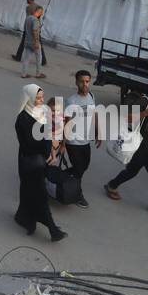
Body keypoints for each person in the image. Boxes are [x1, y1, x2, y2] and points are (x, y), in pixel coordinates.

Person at [105, 75, 148, 218]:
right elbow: (127, 117)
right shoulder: (144, 101)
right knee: (131, 172)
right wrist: (146, 113)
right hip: (139, 146)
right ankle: (111, 185)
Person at [15, 84, 67, 241]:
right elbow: (29, 144)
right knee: (40, 194)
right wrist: (46, 149)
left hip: (39, 160)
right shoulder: (23, 119)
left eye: (42, 97)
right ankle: (52, 229)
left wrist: (51, 149)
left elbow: (48, 134)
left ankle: (22, 217)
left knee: (28, 191)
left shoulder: (41, 112)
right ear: (29, 98)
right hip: (30, 161)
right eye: (38, 98)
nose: (41, 100)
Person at [64, 70, 99, 209]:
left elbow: (94, 114)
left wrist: (98, 131)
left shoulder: (91, 96)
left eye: (87, 81)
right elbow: (66, 122)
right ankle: (78, 195)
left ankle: (62, 175)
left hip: (85, 140)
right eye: (81, 81)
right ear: (76, 82)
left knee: (84, 166)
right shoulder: (71, 100)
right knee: (78, 170)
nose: (84, 84)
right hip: (73, 142)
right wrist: (62, 144)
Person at [13, 0, 48, 67]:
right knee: (39, 43)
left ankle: (18, 57)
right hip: (37, 27)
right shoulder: (38, 7)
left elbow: (29, 19)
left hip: (30, 27)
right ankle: (43, 61)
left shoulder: (28, 7)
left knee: (23, 42)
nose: (26, 0)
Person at [21, 5, 46, 79]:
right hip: (34, 42)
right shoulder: (35, 20)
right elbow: (35, 31)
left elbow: (25, 29)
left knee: (26, 58)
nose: (41, 14)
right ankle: (38, 74)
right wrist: (36, 42)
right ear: (40, 12)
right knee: (39, 57)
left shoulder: (28, 18)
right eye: (41, 12)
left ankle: (24, 74)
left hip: (27, 41)